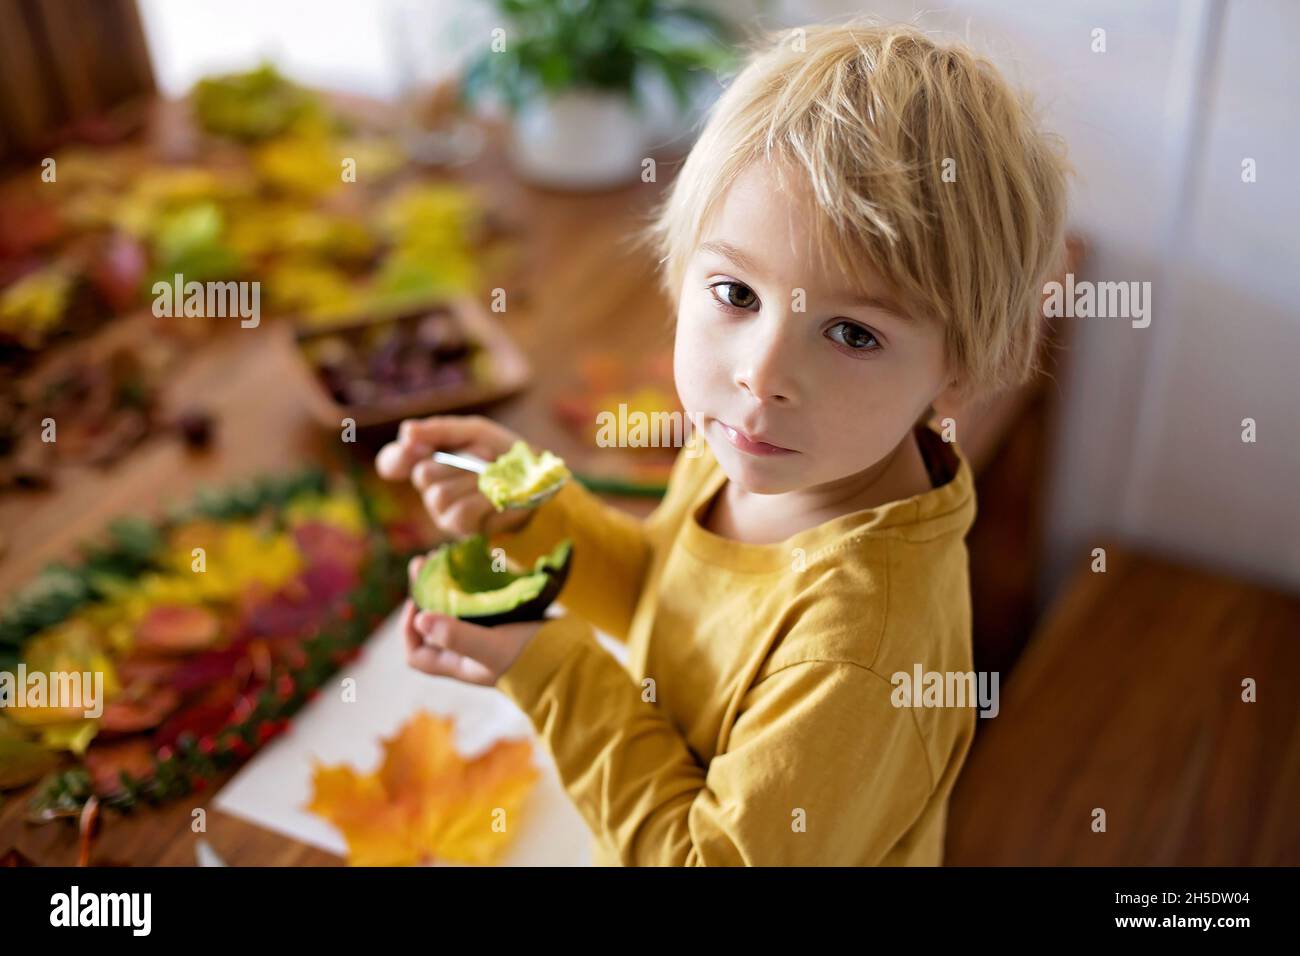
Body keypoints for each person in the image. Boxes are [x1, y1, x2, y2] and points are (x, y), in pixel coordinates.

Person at [375, 19, 1069, 865]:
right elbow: (670, 603)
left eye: (853, 333)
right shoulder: (758, 451)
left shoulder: (860, 652)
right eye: (737, 294)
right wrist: (531, 516)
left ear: (959, 369)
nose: (761, 374)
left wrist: (548, 667)